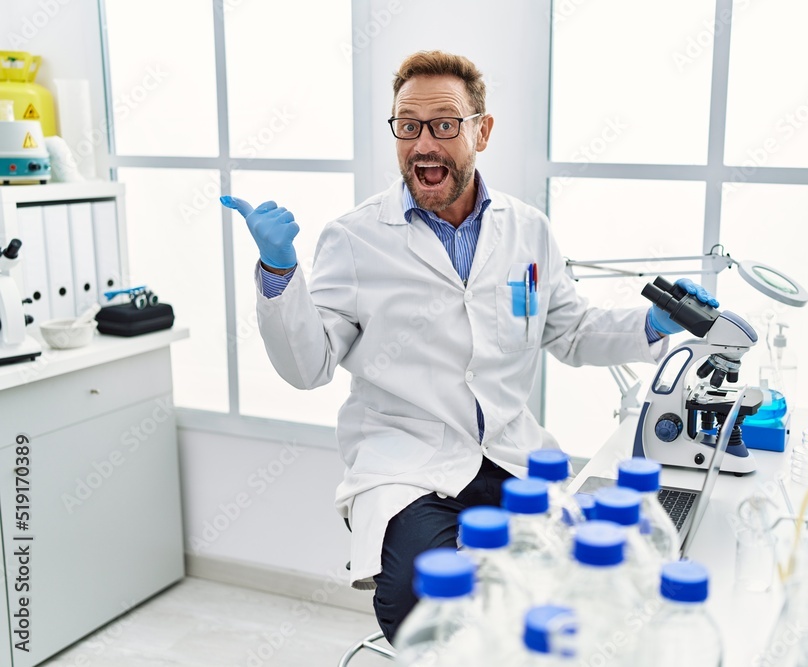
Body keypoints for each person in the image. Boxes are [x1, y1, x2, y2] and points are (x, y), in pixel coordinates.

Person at [221, 50, 718, 642]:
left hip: (511, 452)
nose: (423, 144)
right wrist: (280, 272)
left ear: (482, 131)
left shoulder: (528, 229)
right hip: (409, 462)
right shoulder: (354, 239)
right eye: (408, 126)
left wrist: (654, 324)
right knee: (418, 601)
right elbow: (310, 366)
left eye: (444, 124)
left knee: (565, 587)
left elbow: (570, 331)